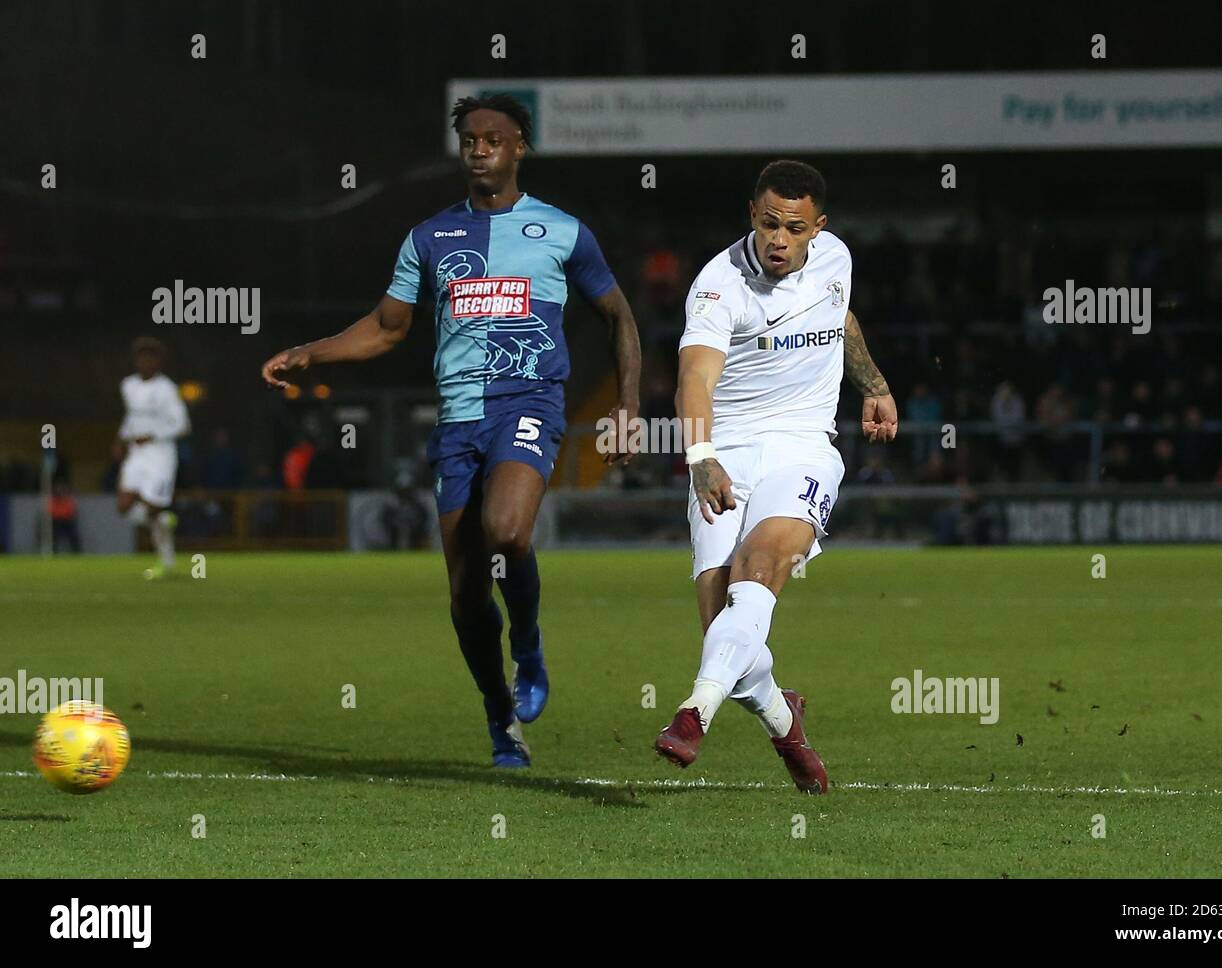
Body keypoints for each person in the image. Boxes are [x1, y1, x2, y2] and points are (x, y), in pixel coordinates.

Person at [260, 94, 641, 768]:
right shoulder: (429, 238)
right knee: (466, 592)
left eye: (494, 137)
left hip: (528, 403)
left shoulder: (561, 231)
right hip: (458, 418)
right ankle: (502, 722)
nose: (479, 147)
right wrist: (311, 352)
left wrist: (628, 405)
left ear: (520, 146)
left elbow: (619, 315)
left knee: (507, 531)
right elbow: (386, 328)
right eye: (469, 138)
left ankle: (528, 643)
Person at [653, 161, 897, 794]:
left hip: (804, 447)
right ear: (752, 218)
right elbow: (695, 378)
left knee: (760, 570)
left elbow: (840, 316)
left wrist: (873, 382)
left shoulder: (836, 259)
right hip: (726, 450)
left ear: (819, 228)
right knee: (726, 637)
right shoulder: (717, 285)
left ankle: (692, 713)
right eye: (768, 224)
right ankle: (785, 720)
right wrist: (702, 454)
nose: (779, 240)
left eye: (794, 228)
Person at [114, 337, 189, 579]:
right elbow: (132, 418)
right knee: (124, 506)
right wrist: (120, 439)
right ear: (136, 360)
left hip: (160, 456)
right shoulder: (128, 386)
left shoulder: (166, 389)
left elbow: (183, 425)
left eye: (151, 356)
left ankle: (166, 563)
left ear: (159, 361)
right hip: (137, 455)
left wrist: (153, 435)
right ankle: (166, 519)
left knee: (152, 509)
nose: (146, 361)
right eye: (142, 356)